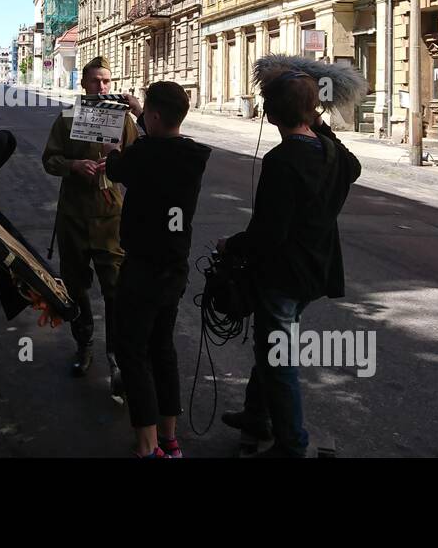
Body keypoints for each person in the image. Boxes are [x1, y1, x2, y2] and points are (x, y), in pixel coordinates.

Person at [217, 70, 361, 458]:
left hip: (283, 276)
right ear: (311, 112)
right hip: (316, 272)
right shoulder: (335, 155)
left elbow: (269, 233)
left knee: (278, 361)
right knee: (272, 348)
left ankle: (292, 444)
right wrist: (318, 121)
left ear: (269, 114)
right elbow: (354, 166)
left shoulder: (281, 160)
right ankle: (255, 415)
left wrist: (231, 244)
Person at [104, 81, 211, 458]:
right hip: (174, 266)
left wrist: (110, 144)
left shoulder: (142, 154)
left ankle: (146, 446)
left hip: (142, 267)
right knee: (162, 349)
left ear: (154, 116)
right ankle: (169, 438)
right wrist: (138, 111)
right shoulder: (191, 155)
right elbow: (160, 141)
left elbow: (117, 165)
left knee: (132, 351)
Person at [41, 55, 138, 396]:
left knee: (115, 291)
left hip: (110, 216)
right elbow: (49, 160)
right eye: (95, 81)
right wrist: (72, 165)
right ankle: (84, 345)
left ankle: (116, 357)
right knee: (76, 286)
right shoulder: (68, 117)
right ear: (83, 83)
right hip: (73, 215)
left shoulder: (122, 118)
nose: (102, 87)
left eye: (107, 81)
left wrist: (115, 165)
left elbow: (138, 160)